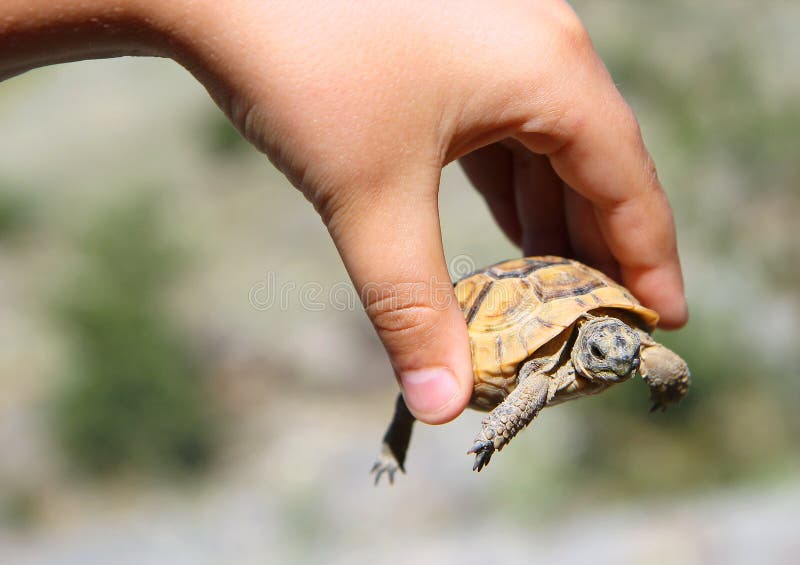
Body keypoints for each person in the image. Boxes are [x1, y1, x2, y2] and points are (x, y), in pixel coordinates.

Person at [1, 1, 687, 426]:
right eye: (611, 346)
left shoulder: (626, 343)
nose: (619, 351)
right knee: (525, 392)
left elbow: (656, 356)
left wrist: (662, 373)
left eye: (617, 346)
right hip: (511, 341)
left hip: (567, 300)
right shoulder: (543, 370)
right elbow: (530, 388)